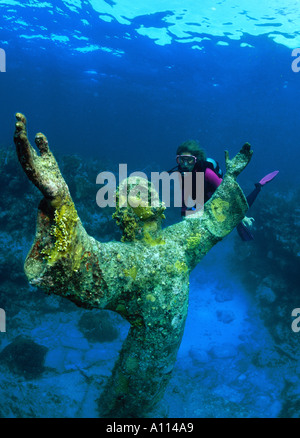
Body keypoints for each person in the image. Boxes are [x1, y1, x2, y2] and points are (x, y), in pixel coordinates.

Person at [14, 112, 253, 418]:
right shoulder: (144, 256)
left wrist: (229, 178)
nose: (147, 189)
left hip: (153, 373)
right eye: (134, 190)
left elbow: (209, 220)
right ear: (128, 212)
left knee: (137, 400)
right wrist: (60, 200)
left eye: (144, 188)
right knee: (127, 406)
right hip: (142, 378)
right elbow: (86, 260)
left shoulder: (172, 243)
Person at [171, 140, 279, 240]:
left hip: (220, 197)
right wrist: (186, 220)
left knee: (241, 208)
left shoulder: (207, 173)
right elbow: (184, 204)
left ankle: (259, 186)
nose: (185, 164)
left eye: (189, 160)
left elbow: (227, 193)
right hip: (202, 202)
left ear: (196, 159)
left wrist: (242, 217)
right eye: (181, 160)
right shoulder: (180, 177)